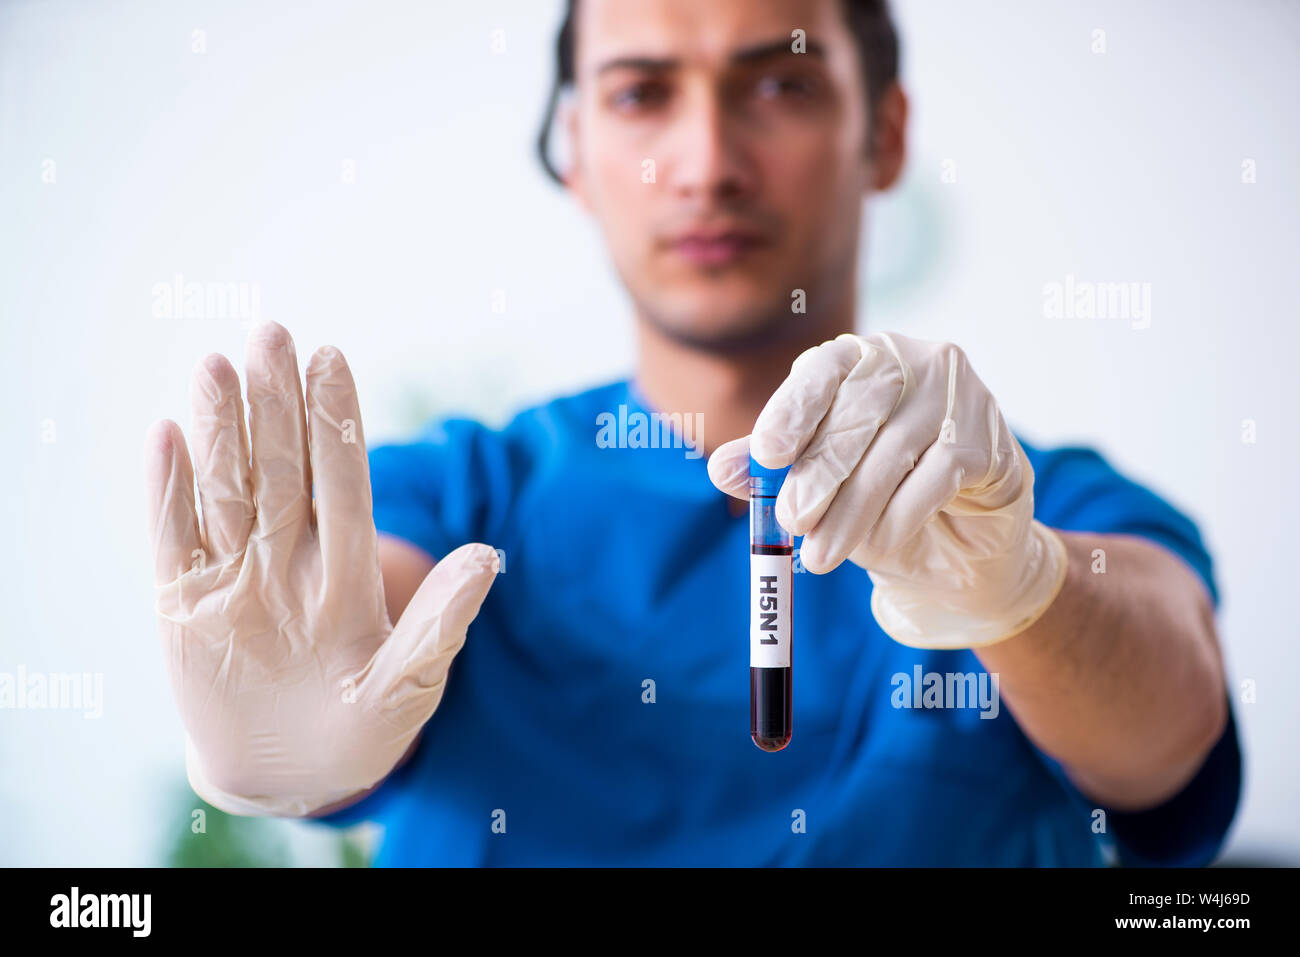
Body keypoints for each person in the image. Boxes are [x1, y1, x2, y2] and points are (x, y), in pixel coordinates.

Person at [143, 0, 1240, 866]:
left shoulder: (1020, 502)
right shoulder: (457, 496)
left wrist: (1025, 587)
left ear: (886, 131)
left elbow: (1173, 733)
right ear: (572, 147)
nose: (709, 160)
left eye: (780, 82)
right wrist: (281, 735)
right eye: (640, 94)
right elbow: (357, 611)